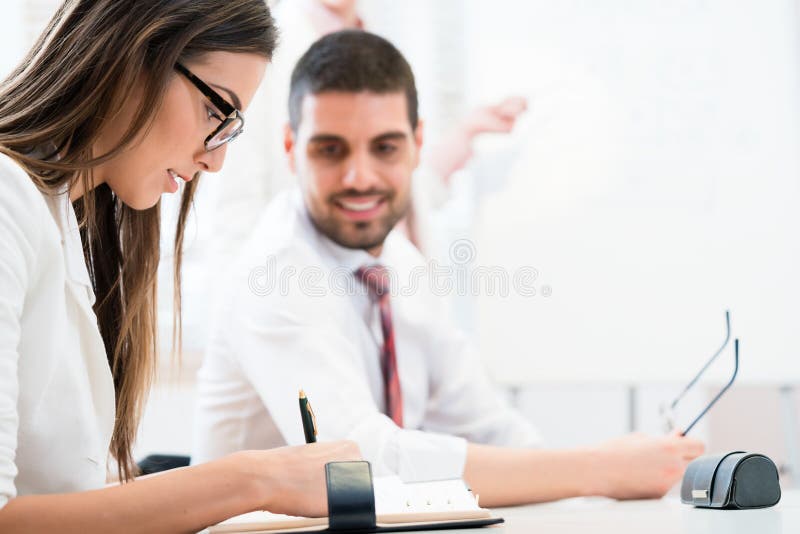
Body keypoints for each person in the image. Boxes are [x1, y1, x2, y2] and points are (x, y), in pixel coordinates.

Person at [191, 29, 705, 507]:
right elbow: (356, 464)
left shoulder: (401, 266)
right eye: (330, 149)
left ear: (418, 144)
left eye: (385, 147)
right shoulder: (271, 275)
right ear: (290, 148)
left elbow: (491, 429)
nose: (359, 177)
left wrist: (584, 494)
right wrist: (596, 471)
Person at [0, 1, 359, 531]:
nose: (215, 159)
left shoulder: (64, 227)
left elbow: (61, 494)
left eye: (229, 128)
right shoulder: (7, 201)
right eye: (218, 112)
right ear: (134, 55)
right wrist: (254, 481)